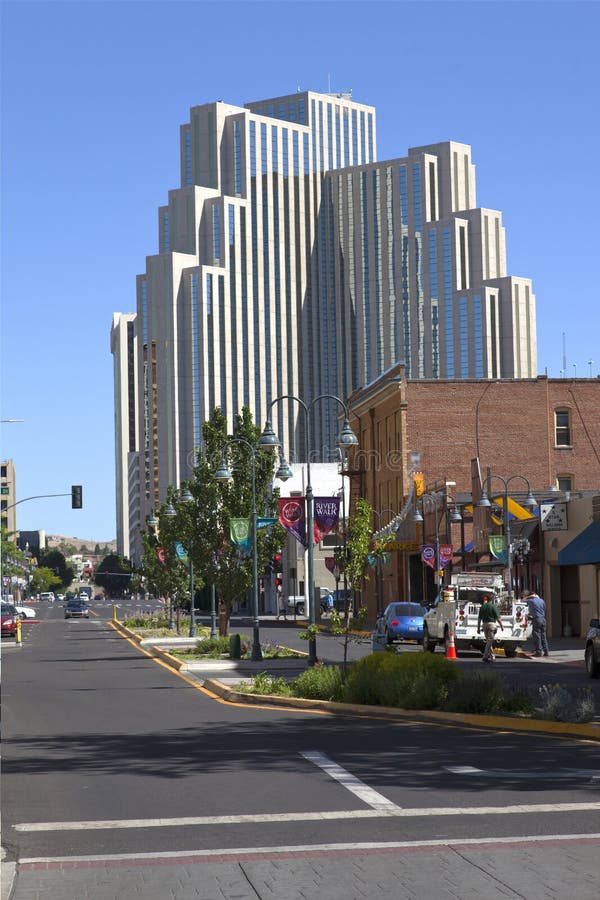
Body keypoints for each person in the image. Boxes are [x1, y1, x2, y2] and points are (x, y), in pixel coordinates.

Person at [477, 595, 504, 662]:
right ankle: (485, 656)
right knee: (489, 641)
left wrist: (478, 627)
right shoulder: (493, 607)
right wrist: (501, 626)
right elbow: (498, 618)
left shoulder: (482, 607)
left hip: (484, 624)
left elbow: (479, 618)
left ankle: (492, 657)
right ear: (492, 599)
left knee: (489, 641)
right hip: (492, 624)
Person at [524, 590, 549, 657]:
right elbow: (544, 608)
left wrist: (529, 597)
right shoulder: (542, 600)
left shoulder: (531, 601)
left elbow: (522, 601)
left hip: (536, 619)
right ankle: (546, 651)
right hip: (543, 619)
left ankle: (538, 651)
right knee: (543, 636)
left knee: (537, 636)